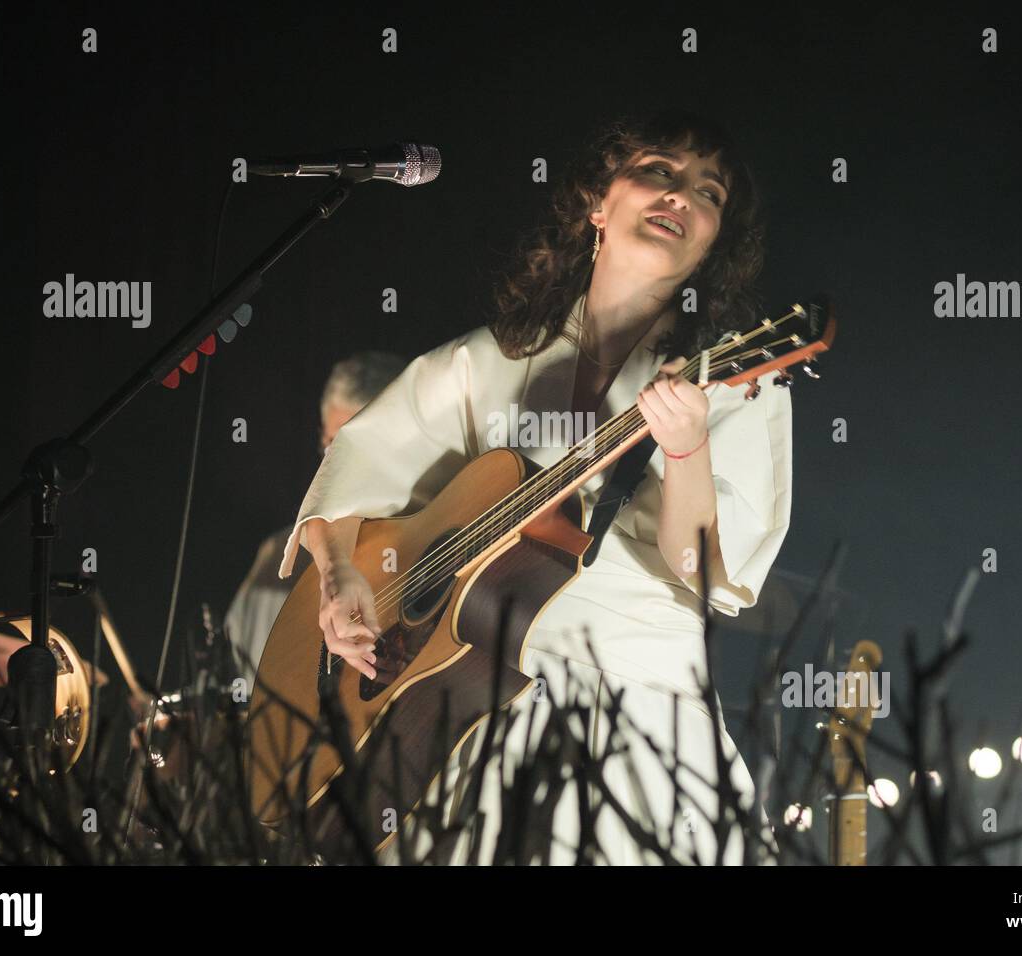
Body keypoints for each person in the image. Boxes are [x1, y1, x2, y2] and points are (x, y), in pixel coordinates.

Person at [280, 111, 793, 864]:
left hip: (636, 710)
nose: (680, 195)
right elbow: (360, 465)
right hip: (466, 701)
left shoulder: (739, 378)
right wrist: (339, 572)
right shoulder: (490, 359)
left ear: (714, 241)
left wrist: (686, 450)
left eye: (707, 191)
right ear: (597, 204)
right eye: (658, 170)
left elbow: (708, 569)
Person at [224, 352, 406, 686]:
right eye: (334, 450)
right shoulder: (276, 563)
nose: (341, 470)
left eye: (360, 452)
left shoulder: (434, 538)